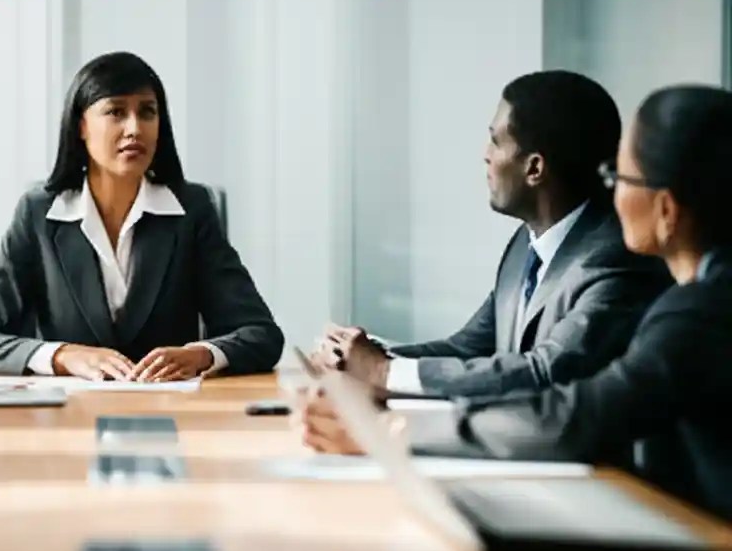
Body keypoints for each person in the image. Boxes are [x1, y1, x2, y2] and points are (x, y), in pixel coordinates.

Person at [303, 85, 732, 521]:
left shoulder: (698, 313)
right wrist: (366, 359)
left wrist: (389, 430)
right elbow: (473, 345)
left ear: (666, 211)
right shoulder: (699, 298)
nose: (612, 193)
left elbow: (573, 416)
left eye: (620, 177)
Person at [320, 71, 670, 397]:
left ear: (534, 167)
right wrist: (360, 355)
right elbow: (467, 348)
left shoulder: (616, 257)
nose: (485, 156)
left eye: (495, 141)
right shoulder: (526, 244)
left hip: (595, 461)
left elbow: (547, 371)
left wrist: (383, 373)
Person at [0, 51, 283, 381]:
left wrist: (200, 355)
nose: (134, 128)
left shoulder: (191, 210)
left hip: (174, 414)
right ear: (81, 127)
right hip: (68, 417)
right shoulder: (38, 214)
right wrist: (63, 356)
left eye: (147, 112)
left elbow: (261, 334)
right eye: (115, 112)